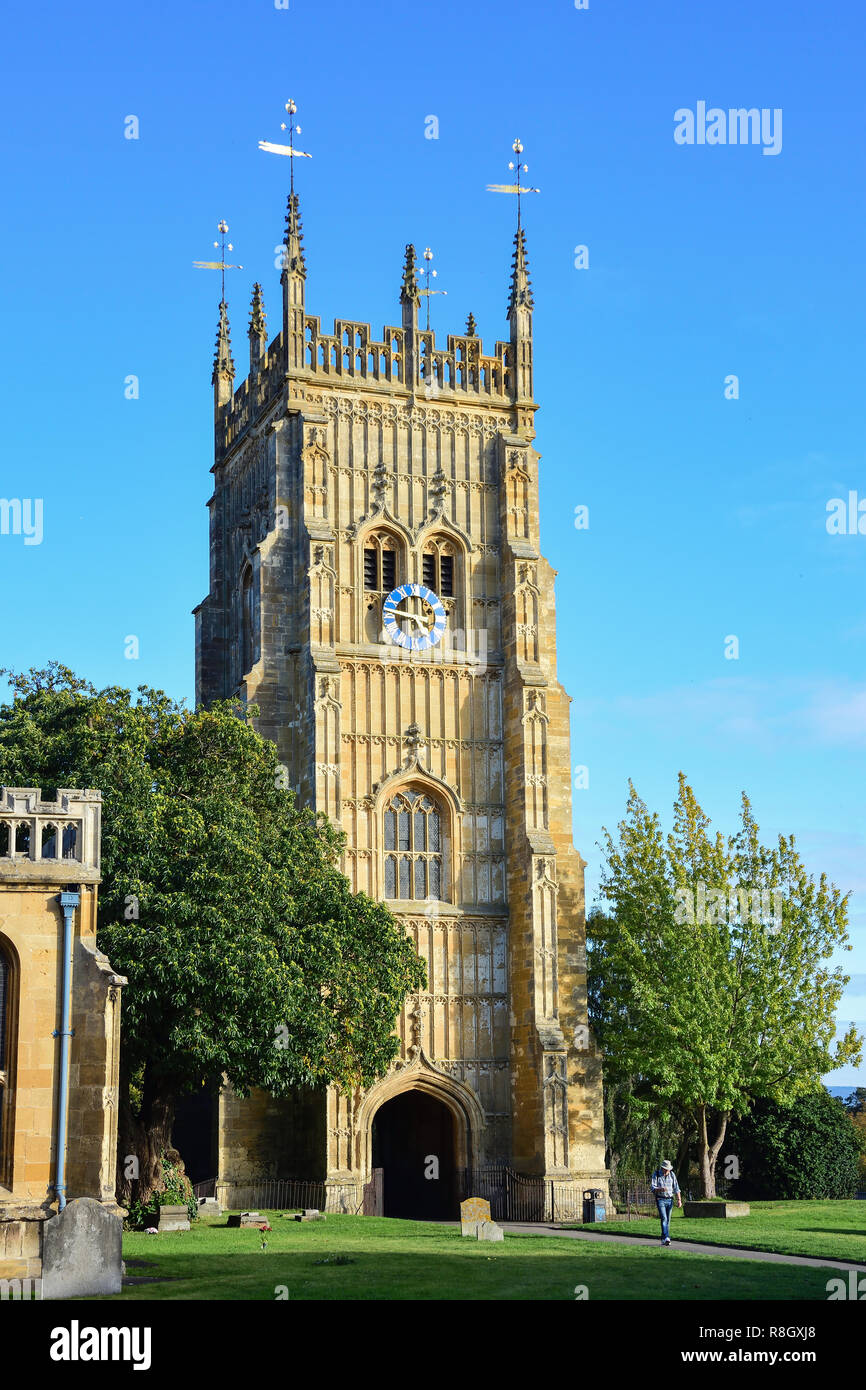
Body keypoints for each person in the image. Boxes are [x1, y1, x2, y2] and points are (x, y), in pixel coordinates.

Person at [650, 1159, 682, 1246]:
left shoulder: (672, 1174)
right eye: (666, 1169)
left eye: (668, 1169)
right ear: (662, 1168)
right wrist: (660, 1189)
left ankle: (663, 1238)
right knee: (664, 1218)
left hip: (670, 1199)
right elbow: (652, 1188)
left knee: (668, 1220)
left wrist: (679, 1200)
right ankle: (667, 1237)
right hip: (660, 1199)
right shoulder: (656, 1174)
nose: (667, 1171)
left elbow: (676, 1188)